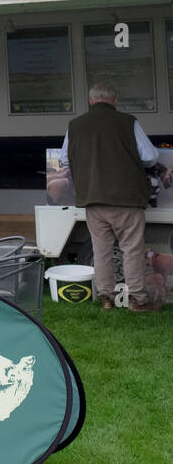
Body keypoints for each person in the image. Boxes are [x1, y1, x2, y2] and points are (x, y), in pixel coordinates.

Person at [62, 80, 168, 312]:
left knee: (102, 251)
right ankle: (138, 300)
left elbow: (64, 160)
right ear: (115, 101)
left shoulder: (74, 125)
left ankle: (106, 298)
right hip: (127, 199)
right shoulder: (127, 122)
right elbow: (150, 156)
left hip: (92, 198)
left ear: (91, 101)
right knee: (132, 250)